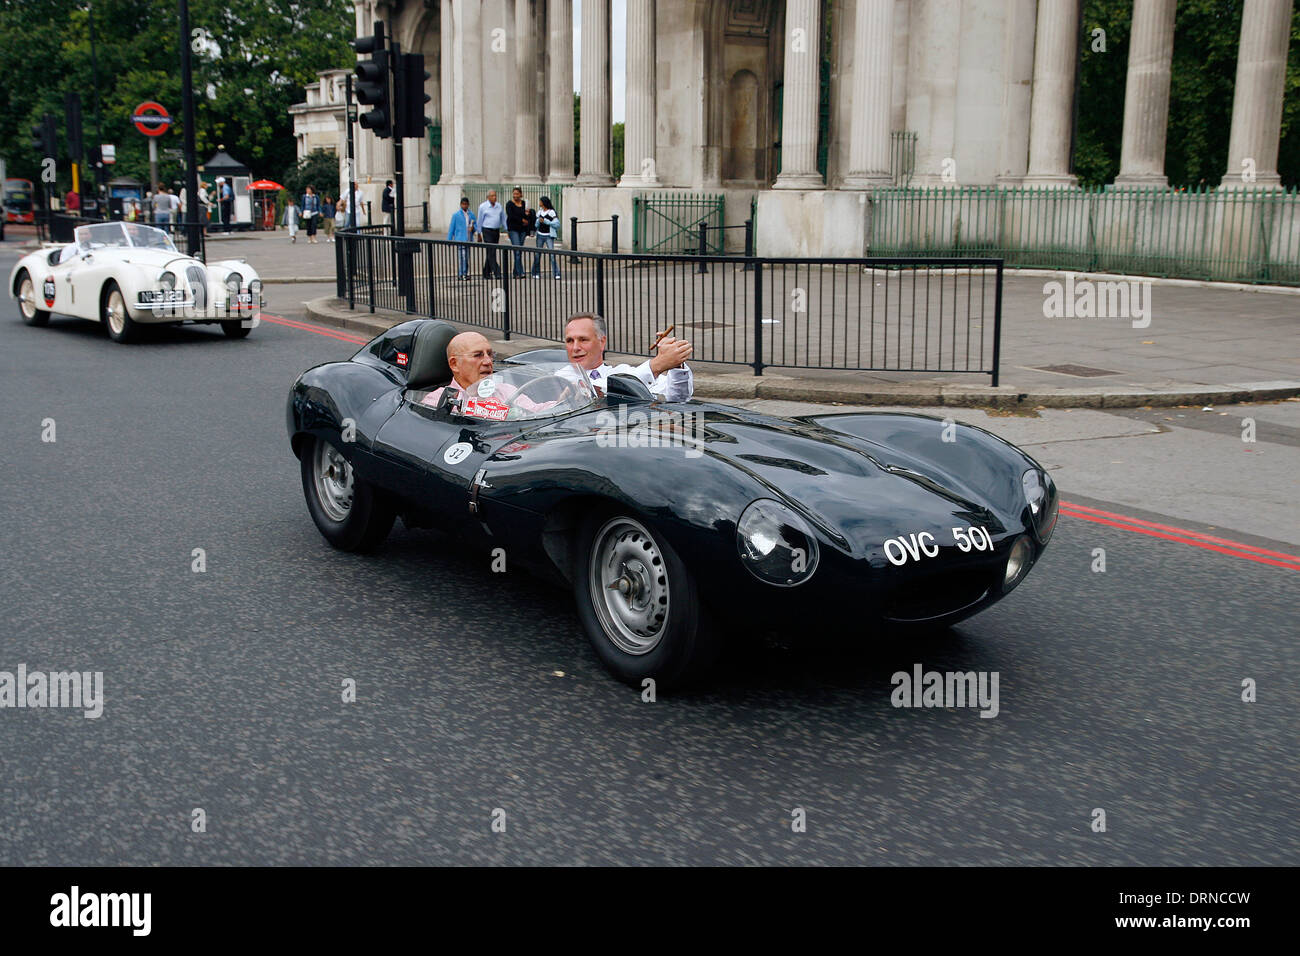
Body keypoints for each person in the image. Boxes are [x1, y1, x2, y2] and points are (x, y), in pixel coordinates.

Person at [561, 313, 694, 402]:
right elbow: (596, 391)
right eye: (570, 341)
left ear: (602, 342)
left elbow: (678, 398)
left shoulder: (621, 371)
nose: (575, 348)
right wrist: (657, 365)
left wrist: (675, 364)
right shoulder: (560, 378)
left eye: (583, 340)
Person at [420, 331, 495, 407]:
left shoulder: (506, 393)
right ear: (454, 364)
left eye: (489, 354)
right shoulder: (437, 402)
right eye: (477, 355)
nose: (488, 361)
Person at [475, 190, 505, 279]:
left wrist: (507, 229)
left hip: (496, 230)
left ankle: (486, 272)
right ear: (488, 197)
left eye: (495, 196)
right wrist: (479, 233)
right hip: (487, 230)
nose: (494, 197)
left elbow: (503, 218)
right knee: (491, 252)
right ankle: (497, 271)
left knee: (491, 251)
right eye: (492, 196)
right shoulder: (483, 207)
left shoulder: (499, 206)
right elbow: (479, 220)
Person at [505, 187, 533, 278]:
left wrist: (527, 215)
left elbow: (526, 215)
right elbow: (511, 216)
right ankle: (520, 272)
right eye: (514, 193)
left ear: (521, 194)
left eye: (517, 194)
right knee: (517, 250)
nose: (515, 195)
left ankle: (515, 271)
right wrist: (522, 220)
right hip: (513, 229)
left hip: (522, 230)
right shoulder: (509, 204)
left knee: (519, 251)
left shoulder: (524, 203)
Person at [530, 196, 561, 279]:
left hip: (548, 235)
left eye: (540, 201)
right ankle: (535, 272)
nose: (539, 202)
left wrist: (546, 221)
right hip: (540, 235)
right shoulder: (539, 212)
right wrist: (538, 221)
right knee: (537, 254)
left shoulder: (552, 212)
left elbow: (557, 224)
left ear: (544, 202)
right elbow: (536, 225)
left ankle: (556, 273)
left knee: (552, 254)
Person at [447, 196, 476, 279]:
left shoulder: (471, 214)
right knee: (462, 257)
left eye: (466, 204)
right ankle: (462, 273)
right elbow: (452, 228)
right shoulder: (456, 215)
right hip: (460, 239)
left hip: (468, 239)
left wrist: (473, 228)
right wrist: (449, 240)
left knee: (466, 257)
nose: (464, 206)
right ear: (460, 205)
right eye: (463, 204)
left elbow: (475, 225)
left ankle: (464, 272)